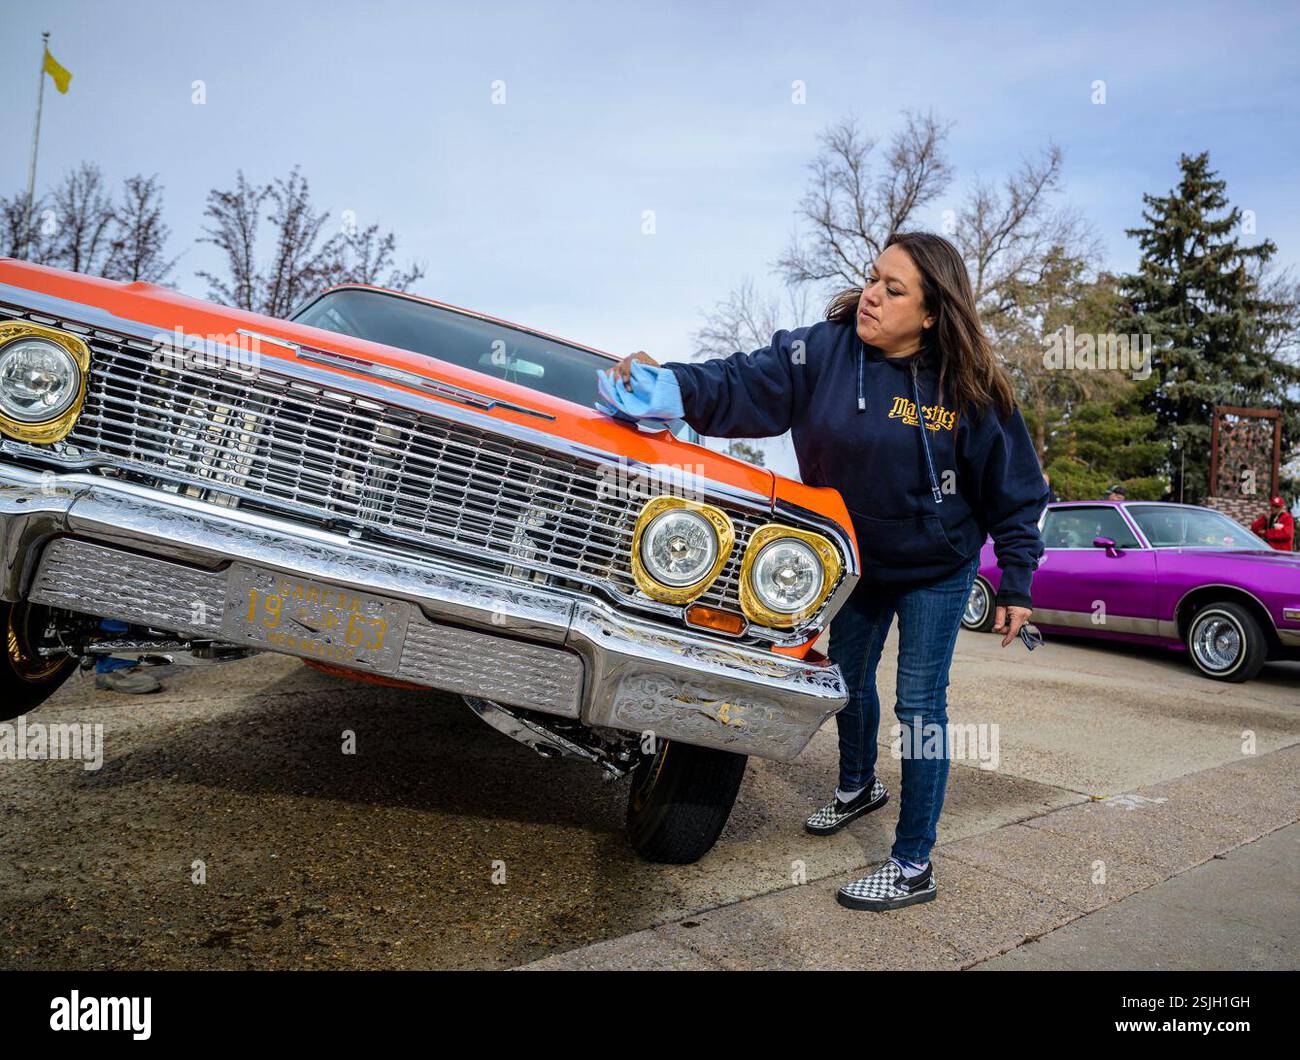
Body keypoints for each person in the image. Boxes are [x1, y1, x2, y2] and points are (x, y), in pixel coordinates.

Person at [603, 231, 1047, 911]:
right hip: (860, 559)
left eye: (893, 289)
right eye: (873, 278)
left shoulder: (971, 388)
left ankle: (911, 864)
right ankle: (857, 786)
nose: (872, 295)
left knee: (921, 705)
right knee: (848, 678)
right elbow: (740, 379)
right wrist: (672, 384)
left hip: (938, 566)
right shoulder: (825, 352)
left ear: (932, 313)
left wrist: (1016, 578)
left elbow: (1014, 487)